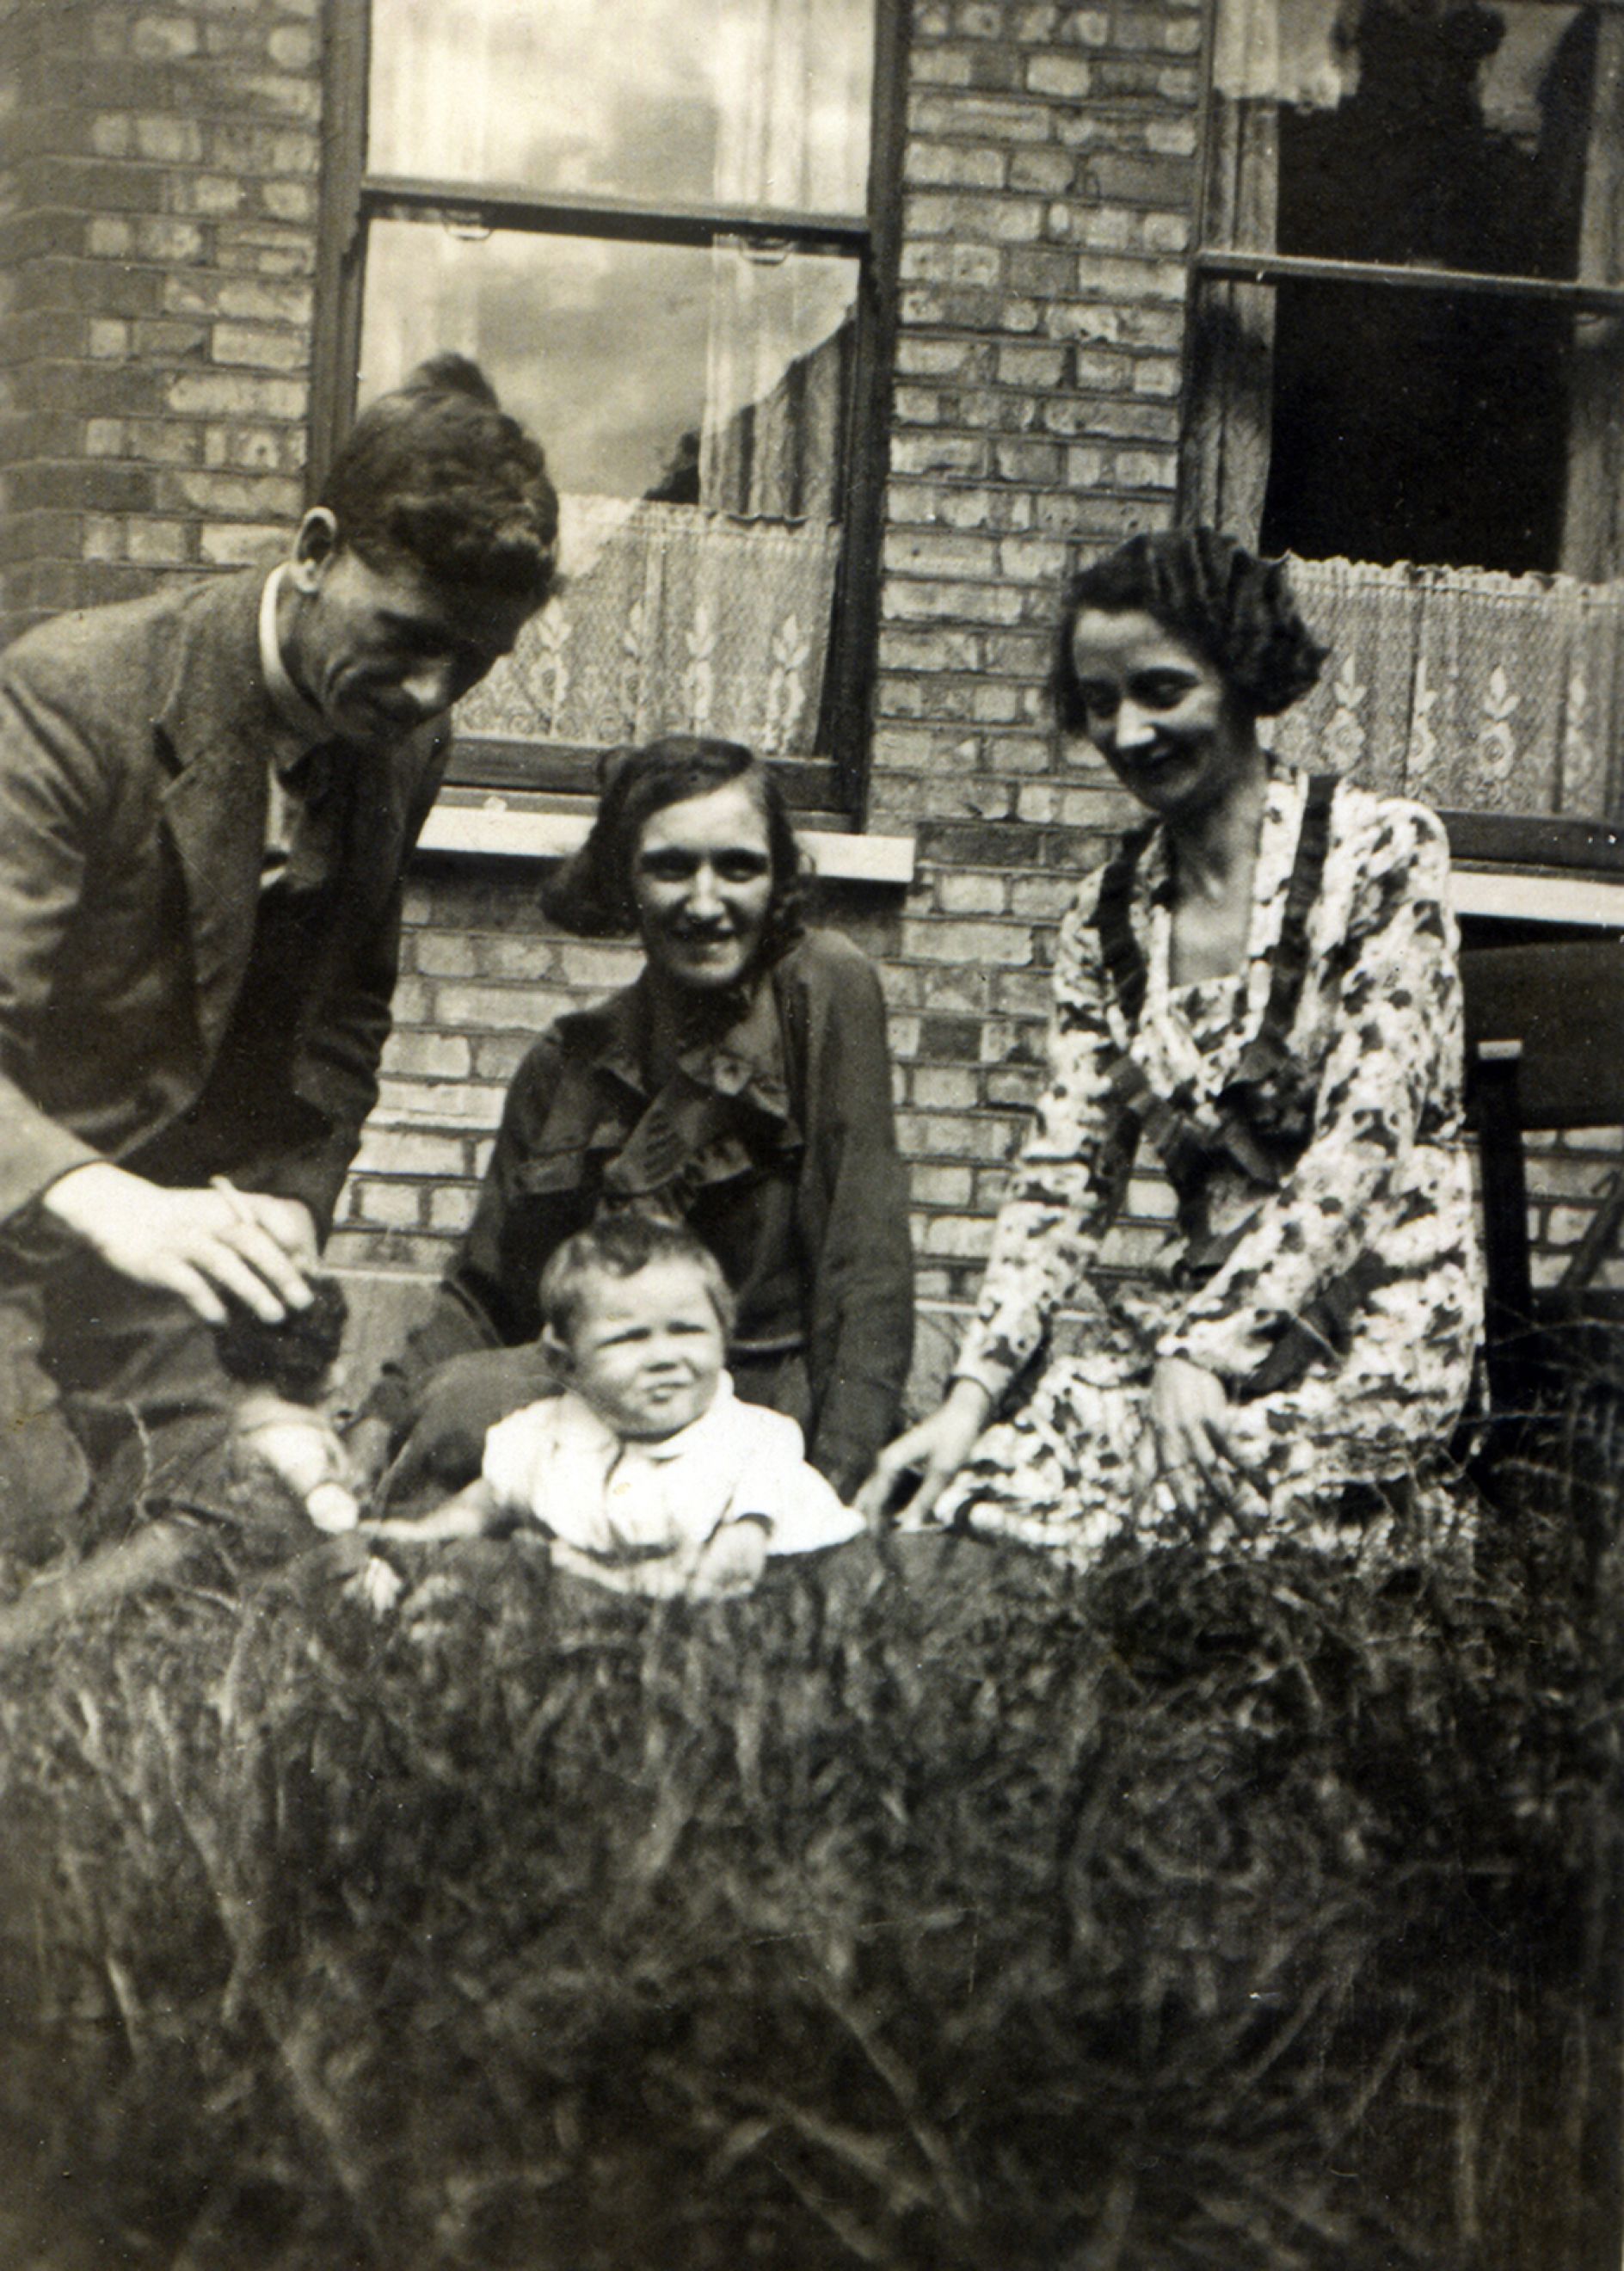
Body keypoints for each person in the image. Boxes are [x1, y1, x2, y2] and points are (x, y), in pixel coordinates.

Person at [0, 353, 559, 1555]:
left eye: (472, 662)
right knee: (34, 1545)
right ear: (312, 551)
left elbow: (345, 1011)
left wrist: (292, 1205)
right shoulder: (74, 695)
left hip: (154, 1275)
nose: (428, 691)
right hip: (25, 1231)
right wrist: (105, 1202)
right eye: (408, 637)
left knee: (264, 1521)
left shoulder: (402, 743)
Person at [858, 528, 1482, 1566]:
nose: (1129, 733)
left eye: (1160, 690)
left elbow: (1365, 1143)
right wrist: (970, 1397)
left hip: (1378, 1317)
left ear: (1240, 676)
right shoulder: (1105, 919)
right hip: (1193, 1330)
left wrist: (1205, 1348)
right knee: (980, 1485)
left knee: (1169, 1514)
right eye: (1099, 704)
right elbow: (1064, 1174)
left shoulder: (1381, 851)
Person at [354, 735, 914, 1509]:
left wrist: (837, 1482)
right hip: (605, 1404)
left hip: (763, 1416)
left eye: (740, 867)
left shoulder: (819, 992)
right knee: (456, 1412)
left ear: (778, 879)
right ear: (624, 879)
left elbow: (866, 1259)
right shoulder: (566, 1066)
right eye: (671, 866)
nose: (707, 902)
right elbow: (483, 1296)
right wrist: (377, 1425)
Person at [368, 1212, 863, 1601]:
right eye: (630, 1339)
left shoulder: (756, 1443)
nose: (664, 1358)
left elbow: (734, 1570)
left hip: (762, 1595)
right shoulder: (547, 1434)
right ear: (566, 1363)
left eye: (688, 1331)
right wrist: (418, 1541)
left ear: (723, 1335)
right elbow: (485, 1503)